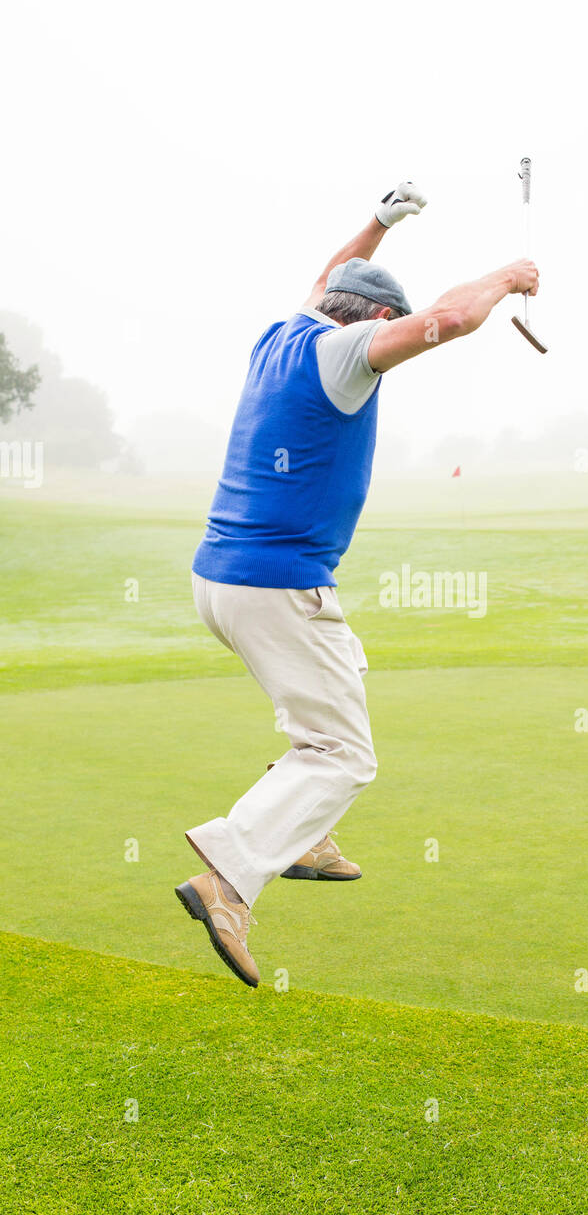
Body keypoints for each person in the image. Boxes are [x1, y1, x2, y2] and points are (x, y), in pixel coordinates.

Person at [175, 179, 540, 986]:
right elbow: (444, 321)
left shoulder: (286, 332)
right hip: (277, 584)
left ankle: (302, 834)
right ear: (375, 321)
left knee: (346, 675)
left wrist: (378, 222)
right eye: (390, 328)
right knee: (343, 753)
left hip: (223, 577)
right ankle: (230, 879)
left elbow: (332, 274)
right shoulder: (345, 353)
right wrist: (507, 276)